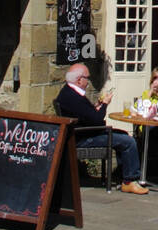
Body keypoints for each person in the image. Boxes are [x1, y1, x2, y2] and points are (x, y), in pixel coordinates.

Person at [54, 64, 147, 194]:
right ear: (79, 80)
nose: (88, 82)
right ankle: (130, 180)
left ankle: (124, 176)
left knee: (124, 134)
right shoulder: (73, 97)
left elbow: (85, 114)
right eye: (87, 78)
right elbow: (96, 120)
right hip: (83, 138)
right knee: (128, 142)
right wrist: (104, 104)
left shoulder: (68, 92)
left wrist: (96, 106)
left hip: (83, 133)